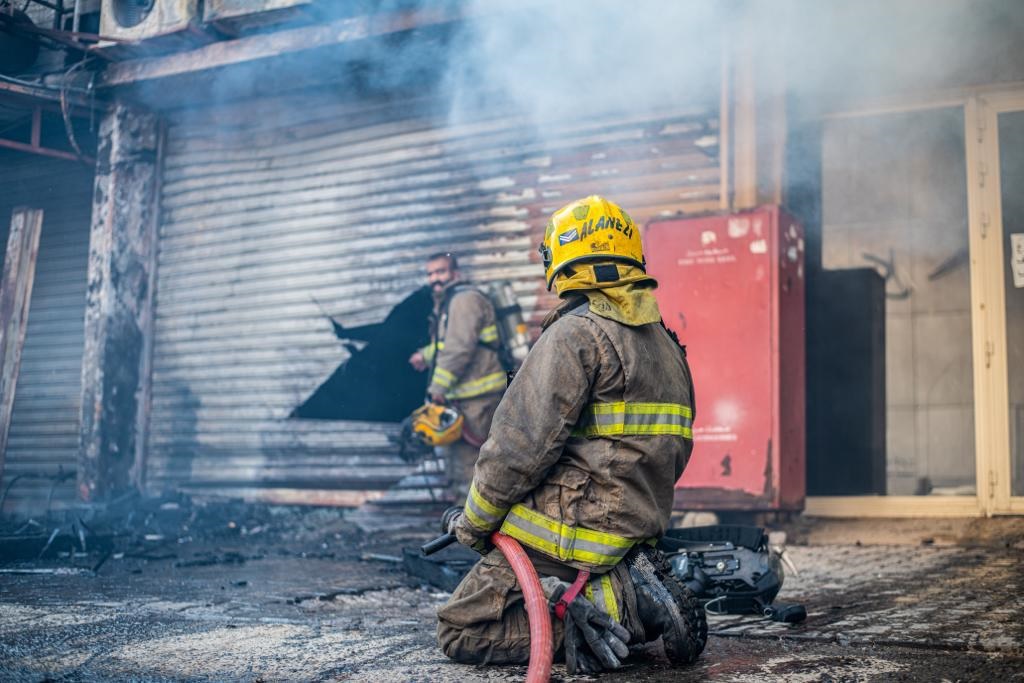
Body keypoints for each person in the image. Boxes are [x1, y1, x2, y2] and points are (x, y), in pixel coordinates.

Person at [436, 196, 705, 674]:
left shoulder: (575, 334)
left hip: (571, 537)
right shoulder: (666, 342)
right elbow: (676, 451)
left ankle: (625, 606)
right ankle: (629, 586)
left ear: (564, 258)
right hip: (633, 535)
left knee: (462, 628)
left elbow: (517, 450)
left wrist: (475, 525)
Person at [409, 252, 506, 499]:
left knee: (470, 465)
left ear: (455, 273)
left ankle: (476, 528)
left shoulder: (464, 300)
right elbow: (448, 343)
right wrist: (426, 354)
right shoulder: (450, 301)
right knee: (461, 462)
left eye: (440, 272)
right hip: (467, 398)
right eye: (430, 274)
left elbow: (459, 348)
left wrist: (437, 390)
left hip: (478, 399)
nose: (434, 279)